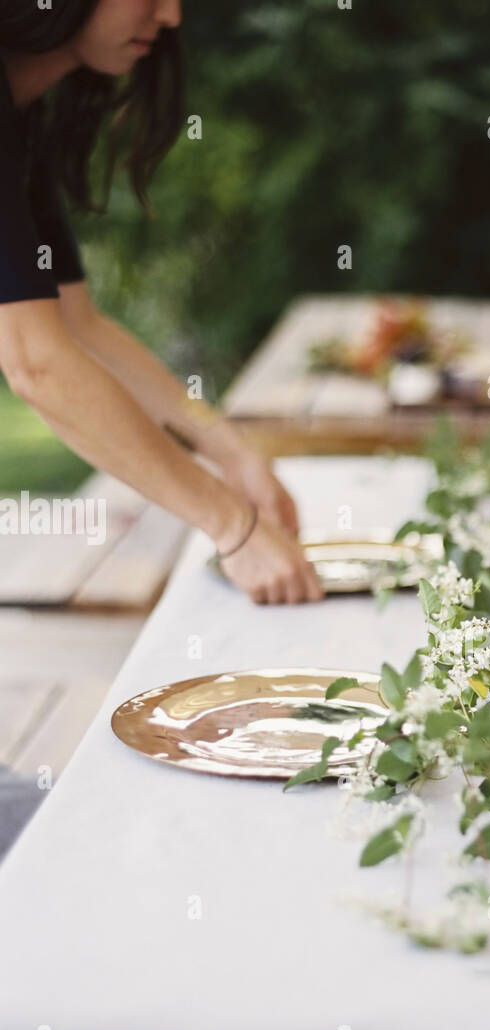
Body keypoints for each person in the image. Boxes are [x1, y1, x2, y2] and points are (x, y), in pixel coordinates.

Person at [0, 0, 323, 603]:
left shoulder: (22, 122)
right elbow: (35, 363)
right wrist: (234, 525)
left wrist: (229, 448)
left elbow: (80, 328)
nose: (171, 15)